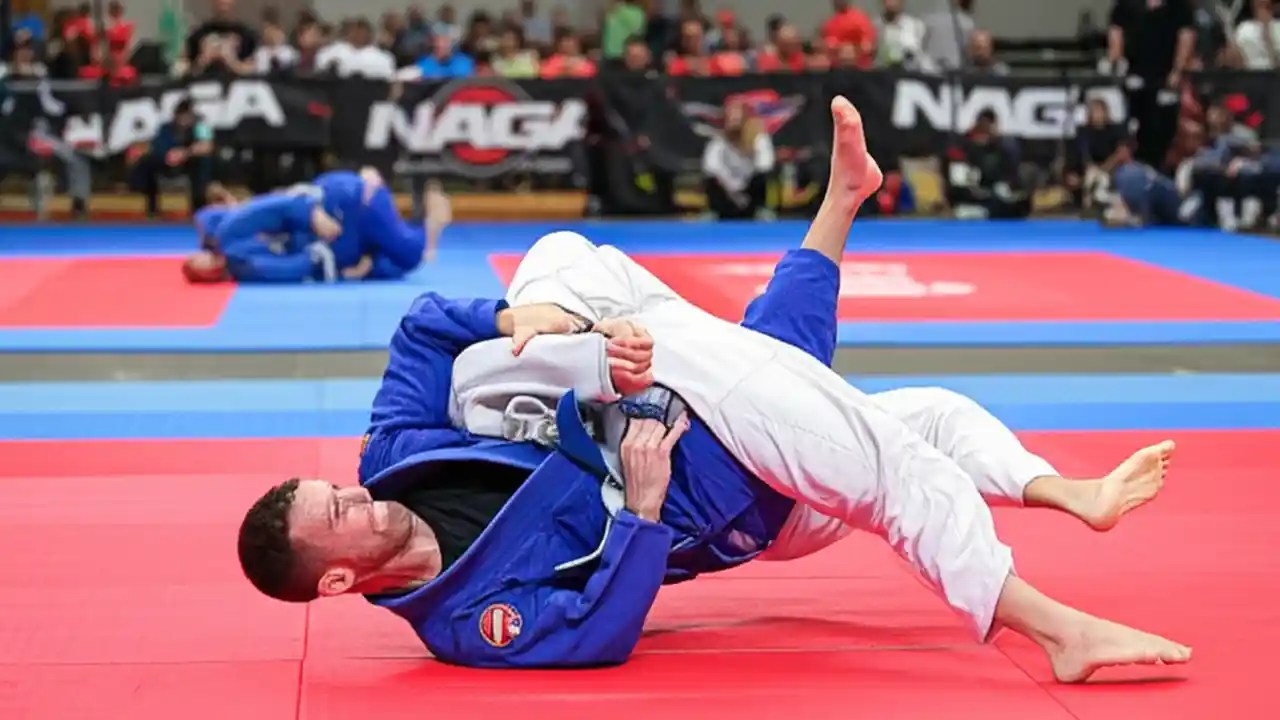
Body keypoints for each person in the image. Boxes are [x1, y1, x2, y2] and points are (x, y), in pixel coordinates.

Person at [237, 97, 1191, 682]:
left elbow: (415, 330)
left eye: (336, 488)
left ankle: (1065, 491)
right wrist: (642, 516)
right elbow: (599, 633)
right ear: (335, 576)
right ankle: (1058, 630)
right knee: (877, 453)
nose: (355, 490)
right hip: (697, 489)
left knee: (574, 274)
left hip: (651, 411)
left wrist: (510, 323)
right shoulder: (467, 621)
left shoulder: (392, 459)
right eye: (339, 510)